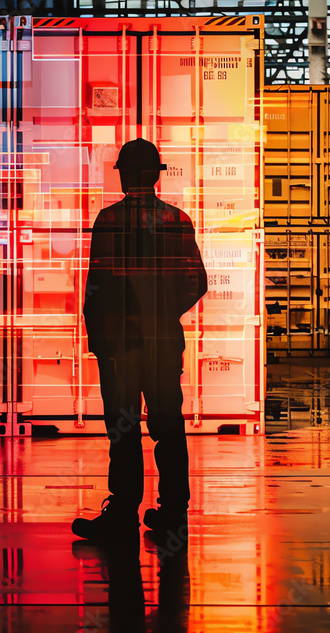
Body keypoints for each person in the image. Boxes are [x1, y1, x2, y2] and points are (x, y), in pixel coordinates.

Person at [72, 138, 208, 543]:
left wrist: (100, 338)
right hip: (164, 342)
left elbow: (97, 285)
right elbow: (196, 282)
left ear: (124, 176)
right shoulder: (177, 220)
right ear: (155, 176)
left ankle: (122, 514)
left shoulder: (109, 221)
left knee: (124, 428)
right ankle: (173, 515)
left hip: (121, 346)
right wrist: (165, 312)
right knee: (168, 425)